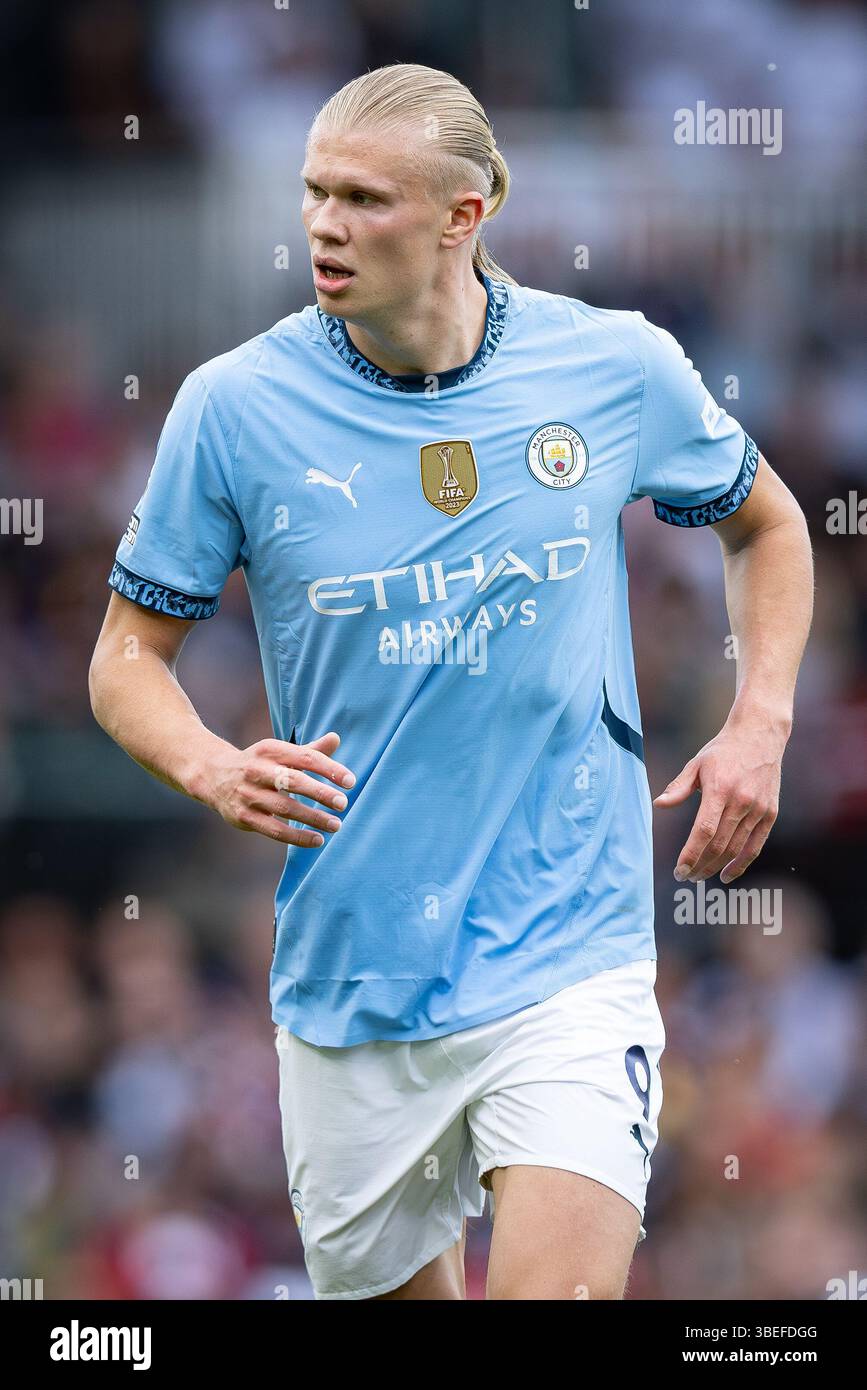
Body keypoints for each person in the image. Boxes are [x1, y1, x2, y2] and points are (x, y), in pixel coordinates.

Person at [89, 63, 814, 1301]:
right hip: (351, 976)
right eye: (314, 192)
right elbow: (123, 659)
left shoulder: (615, 367)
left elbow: (771, 526)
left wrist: (761, 721)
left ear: (461, 217)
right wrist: (215, 767)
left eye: (364, 197)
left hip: (568, 951)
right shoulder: (232, 408)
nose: (322, 222)